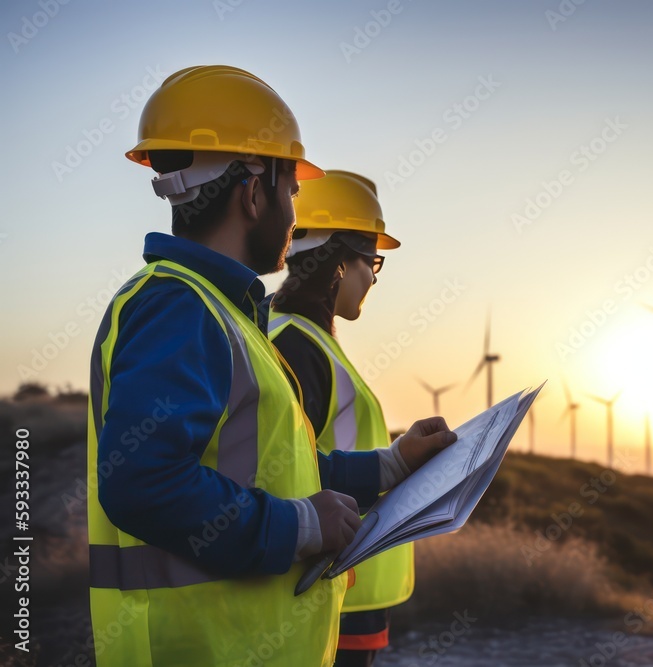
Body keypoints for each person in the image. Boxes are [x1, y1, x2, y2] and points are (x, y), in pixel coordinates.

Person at [87, 65, 455, 666]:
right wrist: (299, 529)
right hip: (204, 649)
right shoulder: (178, 307)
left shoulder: (222, 313)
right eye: (292, 190)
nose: (293, 214)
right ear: (253, 191)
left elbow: (281, 469)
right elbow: (143, 481)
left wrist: (391, 463)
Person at [268, 171, 418, 666]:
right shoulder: (293, 344)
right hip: (331, 584)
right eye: (370, 261)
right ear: (337, 263)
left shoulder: (310, 340)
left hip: (348, 581)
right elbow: (284, 469)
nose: (373, 276)